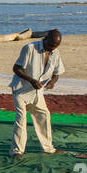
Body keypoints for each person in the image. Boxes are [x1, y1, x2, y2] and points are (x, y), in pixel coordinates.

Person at [8, 29, 63, 157]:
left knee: (44, 115)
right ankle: (16, 151)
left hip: (37, 91)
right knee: (21, 119)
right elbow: (16, 68)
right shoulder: (30, 48)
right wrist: (31, 80)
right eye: (51, 45)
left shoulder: (55, 52)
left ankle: (48, 148)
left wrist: (53, 82)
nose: (52, 48)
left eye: (55, 46)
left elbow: (57, 72)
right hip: (21, 89)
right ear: (45, 39)